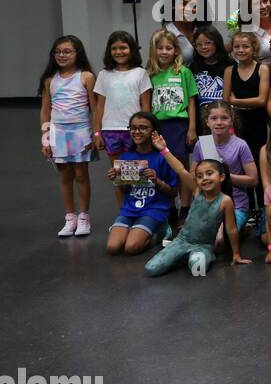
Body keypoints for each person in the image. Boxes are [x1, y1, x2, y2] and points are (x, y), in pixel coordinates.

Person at [146, 136, 249, 276]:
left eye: (209, 173)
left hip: (203, 245)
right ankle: (177, 253)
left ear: (222, 177)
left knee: (197, 270)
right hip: (182, 241)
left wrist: (236, 254)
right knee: (151, 269)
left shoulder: (225, 201)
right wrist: (164, 149)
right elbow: (180, 169)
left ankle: (201, 255)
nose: (204, 178)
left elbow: (231, 229)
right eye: (200, 176)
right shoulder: (197, 191)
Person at [38, 35, 97, 237]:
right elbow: (45, 111)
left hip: (80, 132)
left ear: (77, 53)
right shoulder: (49, 80)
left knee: (81, 174)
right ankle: (70, 217)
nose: (62, 55)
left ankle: (84, 217)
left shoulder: (86, 77)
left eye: (67, 51)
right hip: (58, 133)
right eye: (58, 52)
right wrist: (45, 138)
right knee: (64, 175)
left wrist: (95, 133)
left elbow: (95, 109)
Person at [93, 31, 152, 210]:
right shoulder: (104, 75)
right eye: (114, 48)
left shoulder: (140, 73)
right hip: (111, 131)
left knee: (136, 175)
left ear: (131, 49)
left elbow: (146, 106)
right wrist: (97, 132)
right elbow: (99, 107)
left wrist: (145, 130)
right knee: (120, 177)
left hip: (134, 132)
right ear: (109, 51)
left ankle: (139, 211)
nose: (119, 52)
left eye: (123, 47)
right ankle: (124, 214)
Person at [105, 112, 175, 255]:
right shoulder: (126, 157)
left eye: (143, 128)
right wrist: (116, 181)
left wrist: (157, 181)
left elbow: (174, 192)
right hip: (130, 210)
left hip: (154, 209)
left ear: (153, 131)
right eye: (133, 128)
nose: (137, 132)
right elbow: (125, 191)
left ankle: (160, 232)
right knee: (112, 247)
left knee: (131, 247)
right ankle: (136, 230)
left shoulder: (162, 158)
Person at [193, 100, 258, 237]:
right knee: (200, 236)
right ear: (207, 121)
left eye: (224, 118)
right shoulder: (202, 144)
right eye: (214, 118)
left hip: (236, 204)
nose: (219, 122)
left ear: (231, 120)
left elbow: (253, 180)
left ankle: (239, 228)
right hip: (208, 203)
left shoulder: (240, 145)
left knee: (219, 241)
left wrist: (224, 176)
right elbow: (193, 175)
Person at [224, 31, 270, 213]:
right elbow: (225, 99)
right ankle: (247, 207)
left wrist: (236, 101)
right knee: (240, 164)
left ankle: (262, 208)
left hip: (257, 121)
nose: (241, 50)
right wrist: (234, 102)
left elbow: (261, 101)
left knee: (258, 164)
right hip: (238, 122)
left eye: (245, 46)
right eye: (237, 47)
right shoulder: (229, 70)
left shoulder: (262, 69)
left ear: (254, 49)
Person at [147, 29, 198, 165]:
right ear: (154, 51)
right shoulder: (150, 74)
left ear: (175, 51)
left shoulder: (184, 72)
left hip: (179, 125)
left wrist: (192, 128)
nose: (164, 52)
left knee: (181, 164)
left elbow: (192, 102)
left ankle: (184, 187)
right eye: (160, 48)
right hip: (158, 126)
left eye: (168, 48)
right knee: (161, 164)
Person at [188, 25, 229, 108]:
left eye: (208, 43)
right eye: (199, 44)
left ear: (217, 43)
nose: (203, 47)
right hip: (200, 118)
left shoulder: (229, 65)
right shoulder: (193, 67)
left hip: (223, 117)